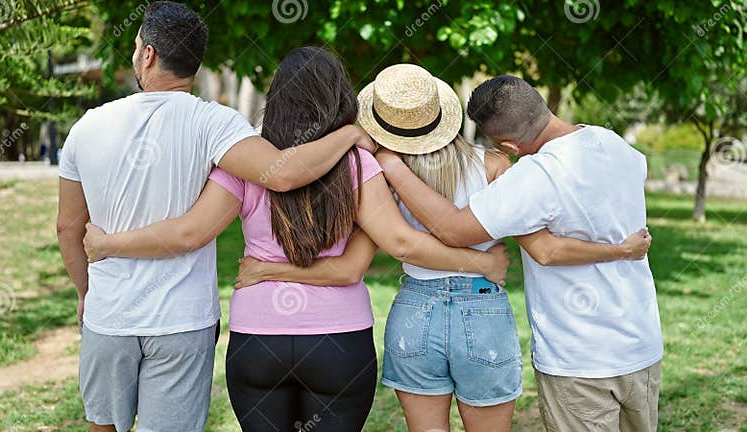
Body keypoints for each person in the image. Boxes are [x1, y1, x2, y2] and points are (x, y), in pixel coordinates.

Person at [82, 47, 511, 432]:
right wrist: (479, 263)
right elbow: (401, 244)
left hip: (257, 341)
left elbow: (190, 232)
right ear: (339, 100)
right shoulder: (357, 164)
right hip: (338, 344)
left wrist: (108, 244)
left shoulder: (248, 164)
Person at [233, 64, 652, 432]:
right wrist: (488, 262)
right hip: (484, 311)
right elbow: (539, 246)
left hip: (416, 310)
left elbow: (404, 242)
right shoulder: (496, 166)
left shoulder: (377, 170)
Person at [55, 2, 375, 432]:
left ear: (147, 54)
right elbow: (283, 175)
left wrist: (85, 290)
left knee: (103, 426)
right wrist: (350, 133)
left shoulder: (87, 126)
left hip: (107, 314)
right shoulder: (215, 124)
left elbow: (68, 228)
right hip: (181, 321)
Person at [375, 74, 663, 432]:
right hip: (641, 345)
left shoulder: (533, 176)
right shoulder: (615, 144)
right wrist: (620, 249)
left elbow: (455, 229)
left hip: (579, 356)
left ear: (510, 145)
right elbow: (547, 247)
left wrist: (391, 166)